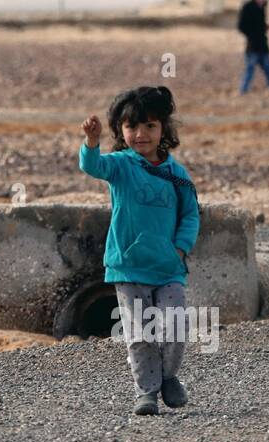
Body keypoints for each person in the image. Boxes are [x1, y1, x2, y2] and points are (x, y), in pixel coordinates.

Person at [79, 86, 199, 416]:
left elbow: (190, 214)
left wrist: (180, 248)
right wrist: (91, 143)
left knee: (175, 326)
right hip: (128, 267)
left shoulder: (178, 175)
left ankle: (169, 377)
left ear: (164, 130)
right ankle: (146, 391)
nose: (141, 134)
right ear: (121, 131)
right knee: (139, 332)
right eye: (132, 127)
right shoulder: (120, 166)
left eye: (150, 126)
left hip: (168, 269)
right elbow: (93, 167)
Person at [237, 0, 269, 95]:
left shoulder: (263, 6)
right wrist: (252, 34)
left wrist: (266, 27)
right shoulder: (248, 7)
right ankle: (243, 91)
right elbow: (241, 26)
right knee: (249, 69)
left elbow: (260, 24)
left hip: (263, 45)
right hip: (252, 46)